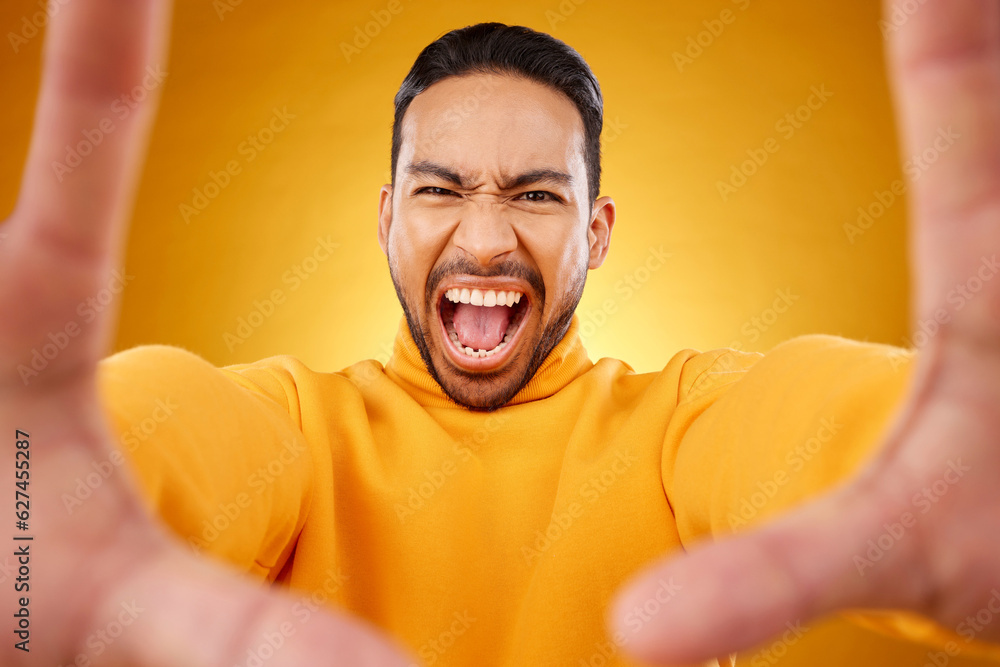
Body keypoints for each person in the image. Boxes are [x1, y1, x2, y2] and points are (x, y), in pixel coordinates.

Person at [3, 0, 1000, 665]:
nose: (483, 240)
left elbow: (808, 422)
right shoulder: (293, 428)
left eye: (534, 194)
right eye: (440, 191)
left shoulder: (681, 427)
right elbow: (155, 437)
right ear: (387, 218)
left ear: (596, 232)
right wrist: (20, 523)